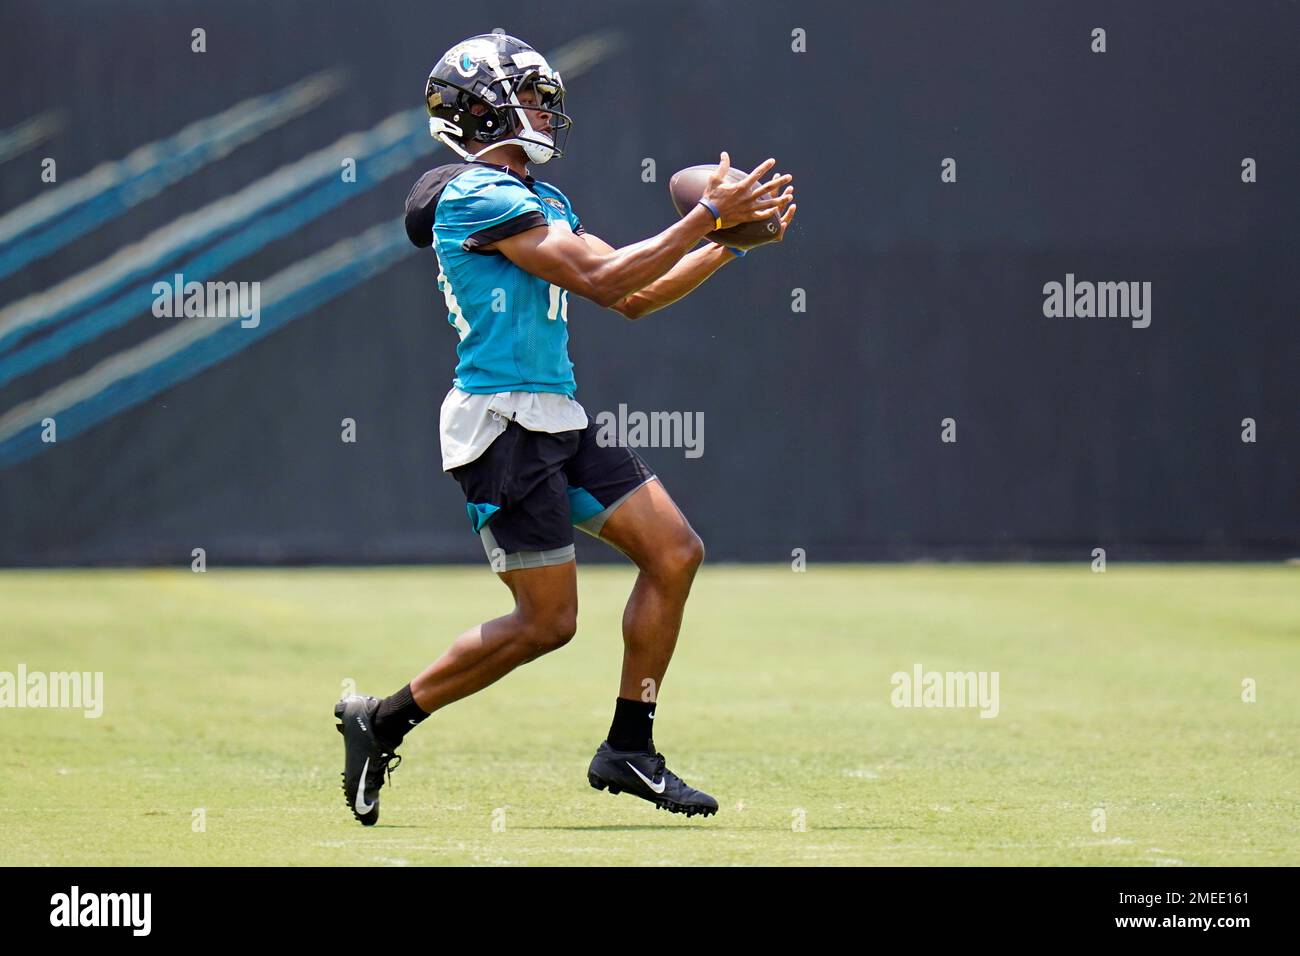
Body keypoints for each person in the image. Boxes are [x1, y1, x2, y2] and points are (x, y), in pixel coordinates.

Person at [335, 32, 796, 825]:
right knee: (547, 624)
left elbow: (632, 296)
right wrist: (712, 214)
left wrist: (725, 246)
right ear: (489, 109)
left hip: (558, 415)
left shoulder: (540, 200)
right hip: (501, 427)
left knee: (675, 551)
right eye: (535, 95)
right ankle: (381, 722)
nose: (549, 109)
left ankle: (629, 750)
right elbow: (606, 275)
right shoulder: (478, 194)